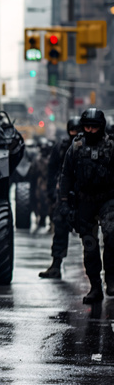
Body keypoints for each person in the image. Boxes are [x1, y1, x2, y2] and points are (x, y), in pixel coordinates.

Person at [55, 109, 114, 303]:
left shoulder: (111, 146)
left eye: (94, 127)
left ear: (101, 127)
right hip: (85, 201)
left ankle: (111, 278)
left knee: (111, 237)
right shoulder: (76, 147)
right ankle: (95, 286)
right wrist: (64, 202)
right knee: (90, 245)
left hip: (107, 200)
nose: (90, 130)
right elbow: (66, 176)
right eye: (87, 127)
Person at [39, 118, 82, 278]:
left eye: (78, 130)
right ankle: (56, 264)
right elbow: (52, 170)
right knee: (60, 229)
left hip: (86, 197)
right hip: (66, 195)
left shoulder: (91, 146)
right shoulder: (62, 147)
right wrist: (52, 193)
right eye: (73, 131)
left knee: (90, 236)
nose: (75, 134)